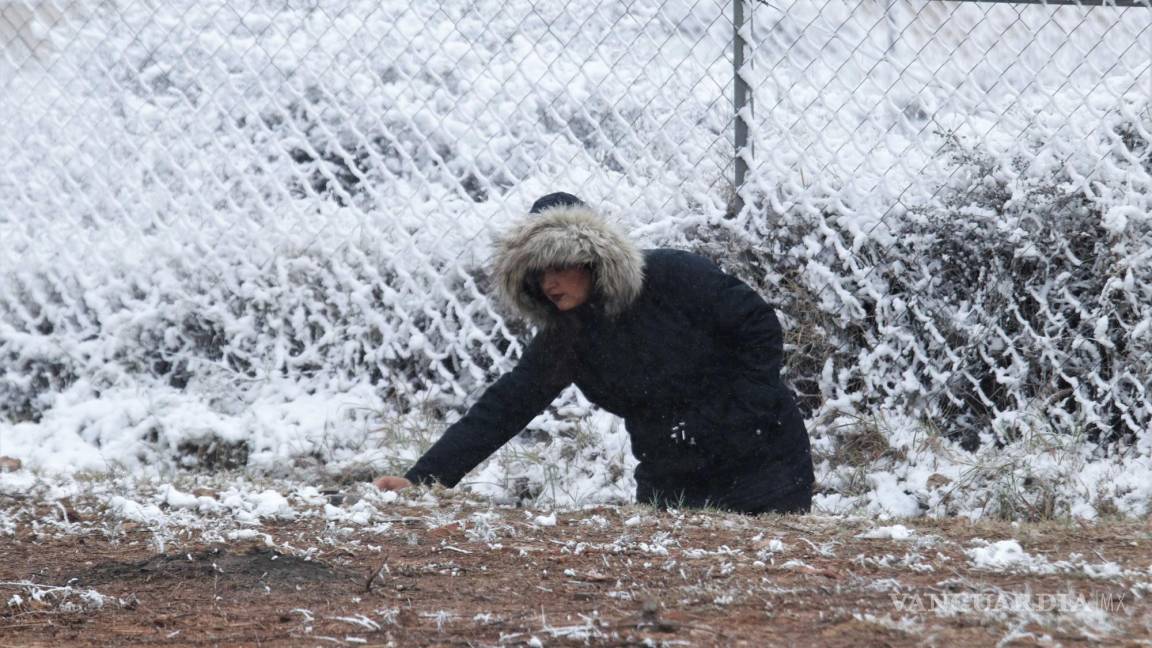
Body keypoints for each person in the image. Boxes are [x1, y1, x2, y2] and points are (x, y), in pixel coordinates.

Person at [373, 192, 814, 514]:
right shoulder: (567, 336)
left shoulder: (674, 275)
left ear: (592, 260)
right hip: (673, 483)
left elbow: (759, 326)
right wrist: (423, 480)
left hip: (764, 467)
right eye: (539, 273)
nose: (550, 283)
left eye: (560, 266)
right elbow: (507, 405)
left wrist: (740, 413)